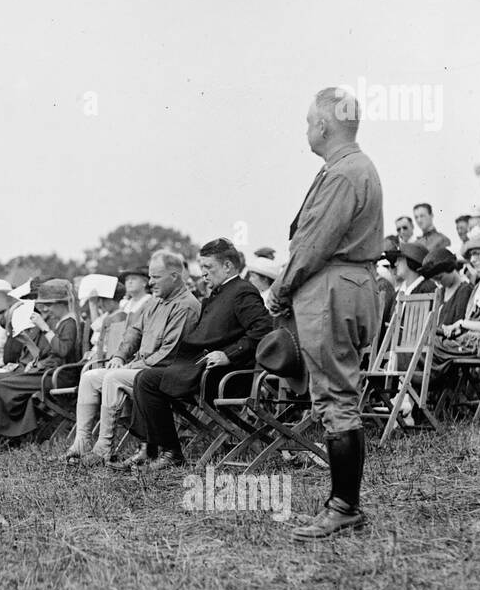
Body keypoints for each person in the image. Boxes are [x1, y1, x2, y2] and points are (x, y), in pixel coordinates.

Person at [265, 86, 383, 539]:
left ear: (322, 125)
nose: (305, 129)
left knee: (335, 398)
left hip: (330, 290)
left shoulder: (342, 173)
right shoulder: (354, 167)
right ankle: (342, 502)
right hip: (345, 287)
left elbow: (312, 244)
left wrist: (280, 288)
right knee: (336, 395)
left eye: (307, 120)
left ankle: (343, 506)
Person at [125, 239, 270, 471]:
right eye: (201, 268)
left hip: (226, 376)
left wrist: (229, 354)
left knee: (147, 380)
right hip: (201, 369)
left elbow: (263, 329)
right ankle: (153, 449)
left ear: (228, 266)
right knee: (145, 378)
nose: (203, 274)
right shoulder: (219, 292)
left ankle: (169, 452)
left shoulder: (243, 292)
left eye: (209, 268)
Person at [66, 250, 200, 465]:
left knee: (113, 377)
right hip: (141, 367)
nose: (150, 283)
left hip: (164, 373)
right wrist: (119, 356)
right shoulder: (155, 301)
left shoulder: (185, 306)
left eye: (156, 277)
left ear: (175, 276)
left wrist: (129, 365)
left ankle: (104, 448)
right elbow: (134, 331)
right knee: (90, 377)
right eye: (150, 276)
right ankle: (81, 442)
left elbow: (169, 354)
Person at [0, 278, 81, 443]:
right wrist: (34, 356)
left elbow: (62, 350)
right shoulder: (62, 322)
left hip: (59, 376)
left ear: (61, 304)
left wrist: (44, 328)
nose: (46, 309)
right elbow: (49, 354)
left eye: (49, 305)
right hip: (49, 372)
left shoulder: (69, 323)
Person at [420, 246, 475, 326]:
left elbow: (459, 325)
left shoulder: (465, 291)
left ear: (450, 268)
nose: (438, 283)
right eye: (435, 280)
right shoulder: (441, 291)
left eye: (440, 278)